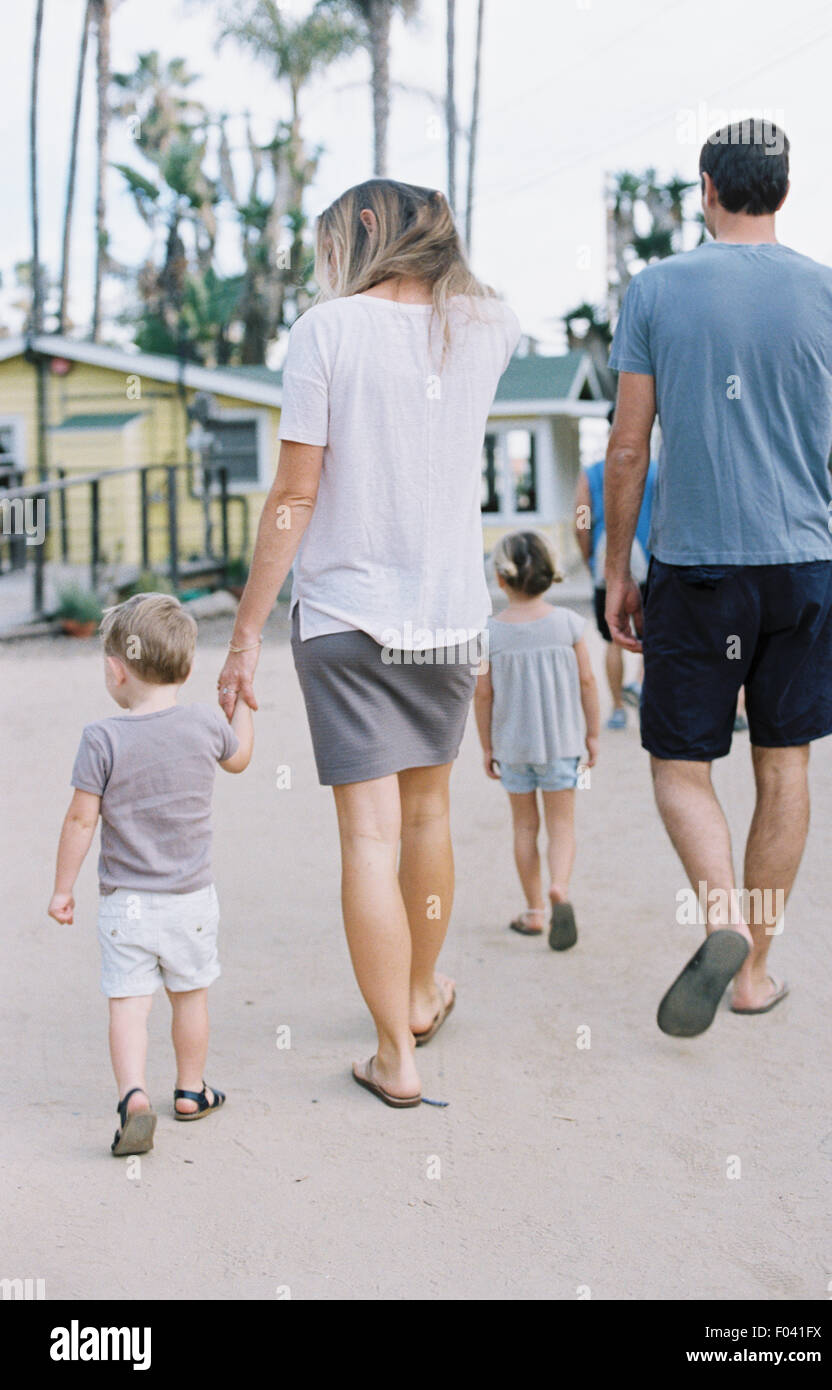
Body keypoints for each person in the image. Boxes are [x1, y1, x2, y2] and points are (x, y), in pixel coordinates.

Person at [217, 179, 520, 1108]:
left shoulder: (325, 331)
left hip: (345, 614)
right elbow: (466, 298)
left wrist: (243, 634)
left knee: (368, 836)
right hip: (446, 616)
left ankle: (395, 1054)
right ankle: (420, 996)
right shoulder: (485, 326)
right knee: (428, 819)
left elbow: (293, 496)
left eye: (330, 242)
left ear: (360, 228)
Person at [604, 118, 832, 1037]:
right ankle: (753, 971)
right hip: (804, 565)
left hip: (697, 568)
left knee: (681, 765)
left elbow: (628, 447)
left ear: (707, 189)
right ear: (782, 191)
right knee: (783, 763)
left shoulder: (655, 290)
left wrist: (617, 569)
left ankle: (720, 914)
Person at [48, 594, 254, 1155]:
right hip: (191, 900)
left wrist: (63, 889)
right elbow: (239, 758)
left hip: (127, 905)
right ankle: (190, 1090)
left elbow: (80, 820)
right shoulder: (205, 723)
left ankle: (133, 1096)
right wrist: (243, 705)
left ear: (117, 671)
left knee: (129, 1004)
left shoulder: (102, 738)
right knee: (190, 998)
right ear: (186, 666)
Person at [474, 531, 599, 950]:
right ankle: (559, 886)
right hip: (563, 746)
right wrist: (592, 734)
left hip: (513, 749)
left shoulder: (489, 633)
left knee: (524, 827)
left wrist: (487, 746)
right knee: (561, 825)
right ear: (549, 574)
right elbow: (587, 681)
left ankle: (533, 912)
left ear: (501, 578)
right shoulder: (568, 624)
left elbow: (483, 694)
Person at [575, 406, 656, 728]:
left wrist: (589, 558)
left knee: (613, 637)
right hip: (649, 561)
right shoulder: (655, 470)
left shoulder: (592, 473)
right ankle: (641, 685)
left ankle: (618, 709)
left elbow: (581, 520)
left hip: (606, 562)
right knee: (651, 633)